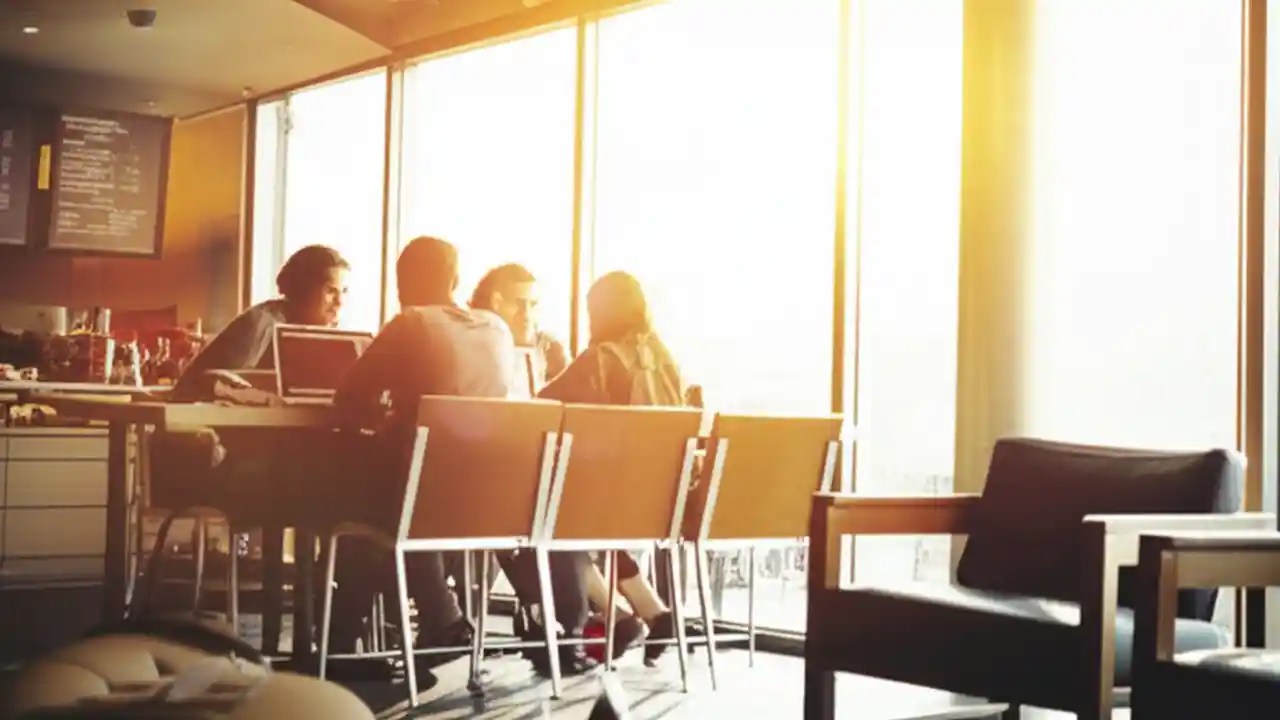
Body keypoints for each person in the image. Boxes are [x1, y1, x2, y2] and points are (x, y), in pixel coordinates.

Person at [329, 237, 596, 679]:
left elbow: (348, 397)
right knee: (384, 511)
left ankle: (353, 646)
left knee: (354, 515)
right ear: (455, 280)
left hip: (420, 502)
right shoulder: (496, 329)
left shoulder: (412, 323)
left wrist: (386, 414)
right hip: (484, 502)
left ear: (400, 284)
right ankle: (429, 622)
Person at [539, 271, 688, 664]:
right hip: (661, 500)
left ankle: (616, 613)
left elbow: (543, 404)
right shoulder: (664, 359)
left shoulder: (601, 359)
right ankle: (651, 609)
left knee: (546, 519)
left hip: (614, 499)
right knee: (579, 513)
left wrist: (554, 365)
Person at [171, 245, 348, 400]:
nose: (340, 302)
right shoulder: (261, 324)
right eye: (330, 291)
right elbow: (217, 387)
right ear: (303, 288)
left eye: (344, 291)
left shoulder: (324, 335)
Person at [469, 263, 569, 388]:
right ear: (495, 304)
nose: (526, 314)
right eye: (518, 304)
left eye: (533, 305)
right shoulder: (467, 353)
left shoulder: (550, 352)